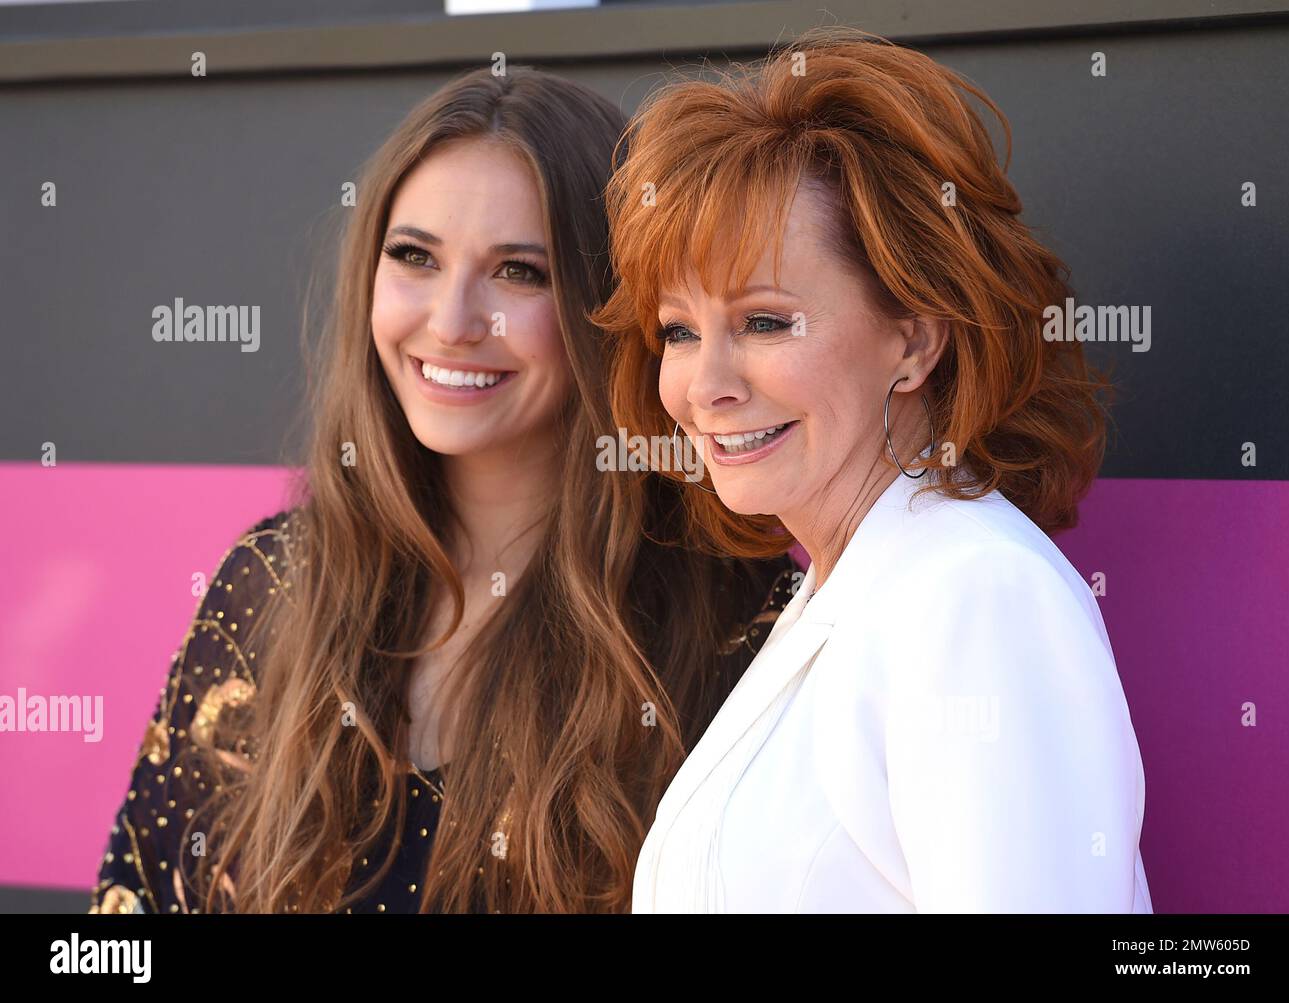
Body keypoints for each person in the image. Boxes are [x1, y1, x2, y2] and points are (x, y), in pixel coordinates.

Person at [90, 65, 798, 915]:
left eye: (520, 273)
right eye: (415, 256)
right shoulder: (270, 582)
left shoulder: (742, 627)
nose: (454, 320)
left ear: (609, 305)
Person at [593, 27, 1153, 912]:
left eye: (766, 322)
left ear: (915, 339)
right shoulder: (845, 588)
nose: (706, 386)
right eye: (680, 330)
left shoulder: (978, 595)